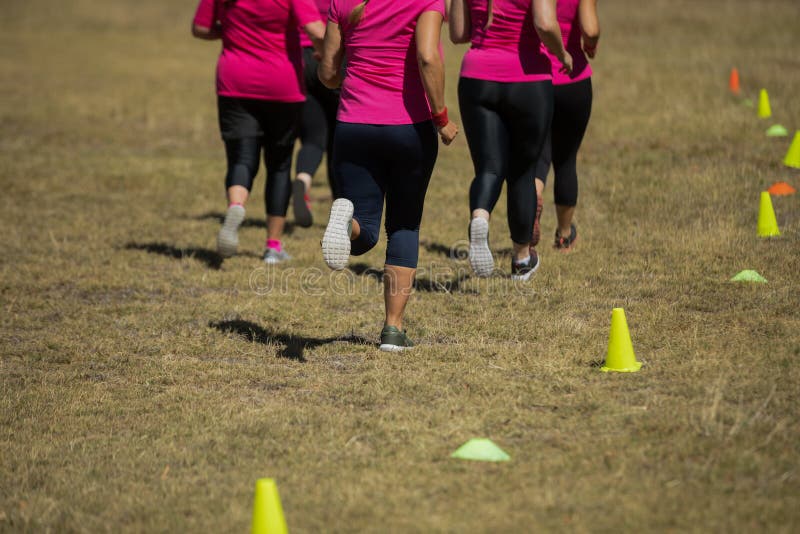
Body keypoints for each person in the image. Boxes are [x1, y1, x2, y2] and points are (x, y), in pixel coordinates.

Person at [318, 0, 459, 351]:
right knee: (404, 225)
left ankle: (346, 220)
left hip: (353, 125)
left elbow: (328, 71)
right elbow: (428, 56)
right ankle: (393, 330)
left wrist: (343, 79)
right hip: (408, 128)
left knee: (364, 231)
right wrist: (441, 117)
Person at [192, 0, 325, 263]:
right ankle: (273, 247)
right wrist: (323, 53)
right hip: (282, 83)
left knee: (241, 158)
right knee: (279, 165)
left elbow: (200, 28)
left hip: (234, 80)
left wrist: (229, 31)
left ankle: (236, 206)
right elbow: (316, 31)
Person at [449, 0, 571, 280]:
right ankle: (521, 259)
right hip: (527, 78)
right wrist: (562, 54)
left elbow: (458, 33)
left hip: (476, 78)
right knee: (522, 173)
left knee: (489, 168)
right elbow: (544, 23)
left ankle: (480, 217)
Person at [533, 0, 599, 252]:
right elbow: (590, 29)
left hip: (533, 77)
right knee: (566, 160)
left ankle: (533, 202)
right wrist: (589, 44)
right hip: (573, 78)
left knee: (537, 157)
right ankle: (563, 235)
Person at [292, 0, 341, 228]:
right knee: (339, 141)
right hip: (332, 55)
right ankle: (340, 211)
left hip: (300, 58)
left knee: (312, 138)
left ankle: (303, 178)